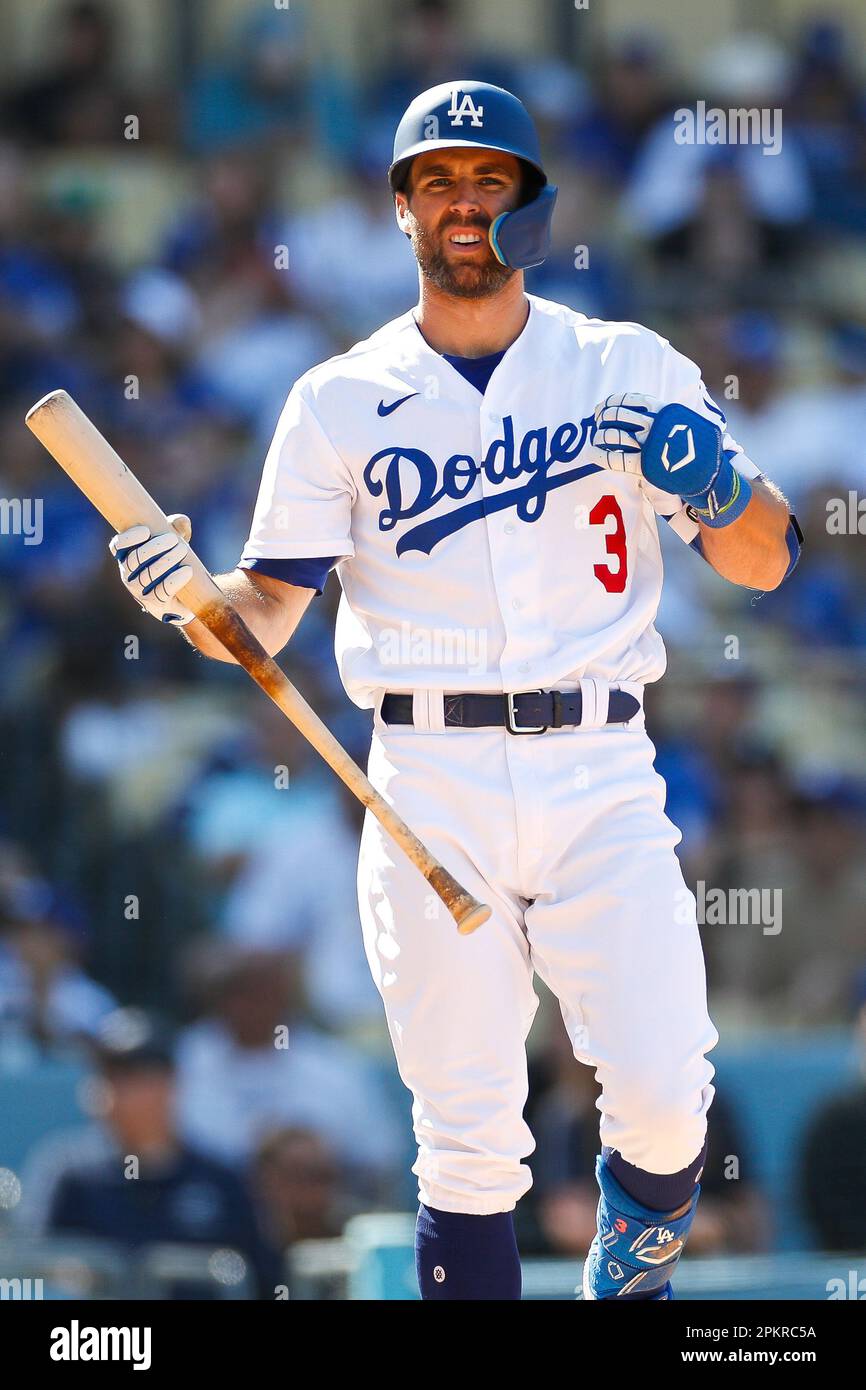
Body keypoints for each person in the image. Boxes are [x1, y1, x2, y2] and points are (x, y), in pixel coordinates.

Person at [109, 81, 801, 1300]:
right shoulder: (336, 396)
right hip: (427, 778)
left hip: (598, 762)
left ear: (530, 202)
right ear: (402, 210)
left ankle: (625, 1271)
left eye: (488, 179)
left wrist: (713, 485)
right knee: (467, 1139)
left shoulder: (619, 363)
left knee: (662, 1091)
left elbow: (766, 556)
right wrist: (189, 598)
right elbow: (263, 616)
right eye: (437, 181)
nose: (463, 202)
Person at [41, 1008, 283, 1298]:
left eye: (134, 1076)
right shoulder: (71, 1176)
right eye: (110, 1075)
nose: (118, 1090)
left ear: (171, 1083)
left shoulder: (221, 1181)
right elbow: (36, 1271)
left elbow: (263, 1280)